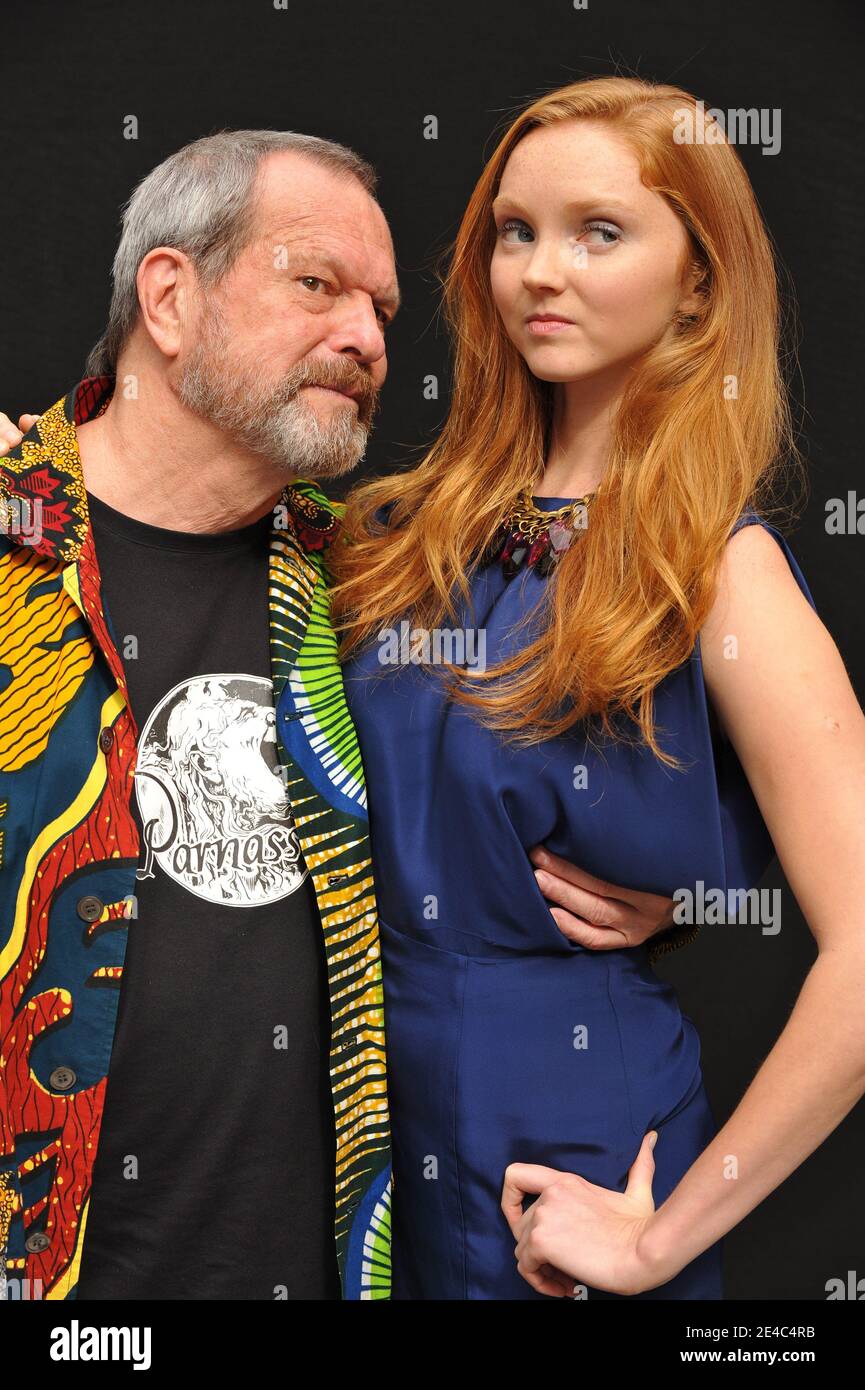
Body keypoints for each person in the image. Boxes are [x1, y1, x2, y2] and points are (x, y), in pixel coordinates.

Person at [0, 124, 675, 1303]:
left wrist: (665, 883)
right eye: (316, 284)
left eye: (377, 306)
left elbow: (542, 764)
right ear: (170, 295)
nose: (366, 339)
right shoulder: (13, 546)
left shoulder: (374, 580)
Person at [326, 76, 865, 1299]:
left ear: (698, 279)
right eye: (515, 231)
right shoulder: (406, 535)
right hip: (361, 1137)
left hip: (567, 1164)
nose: (538, 271)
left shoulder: (720, 573)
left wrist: (655, 1238)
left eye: (598, 232)